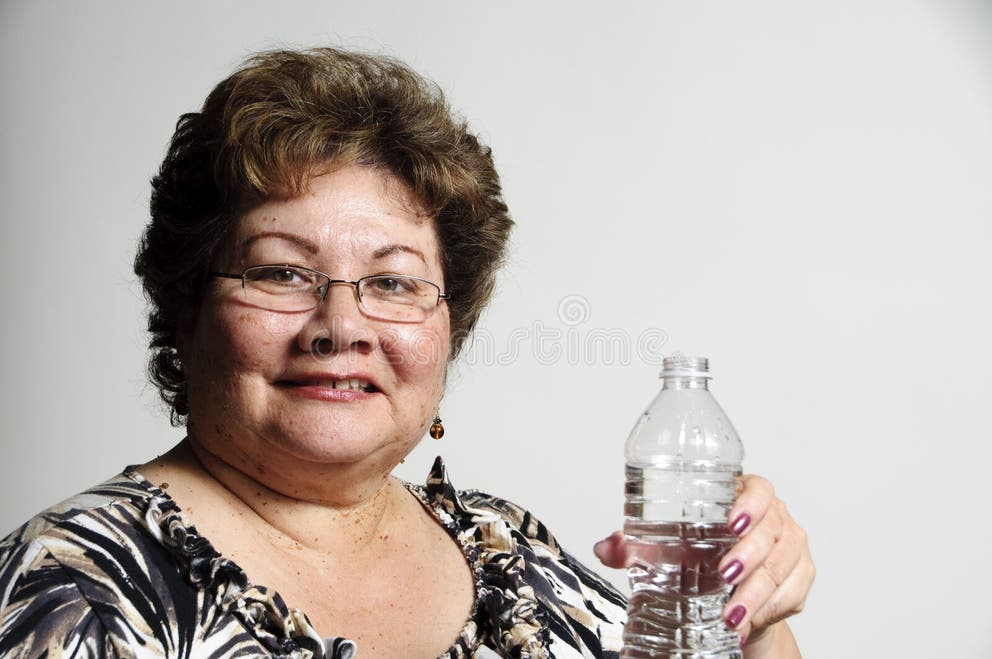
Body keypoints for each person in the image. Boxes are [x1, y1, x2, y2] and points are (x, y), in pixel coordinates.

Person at [0, 48, 814, 658]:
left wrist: (755, 618)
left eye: (392, 282)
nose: (341, 324)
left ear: (448, 328)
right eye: (284, 271)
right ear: (186, 305)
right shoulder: (73, 587)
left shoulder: (510, 553)